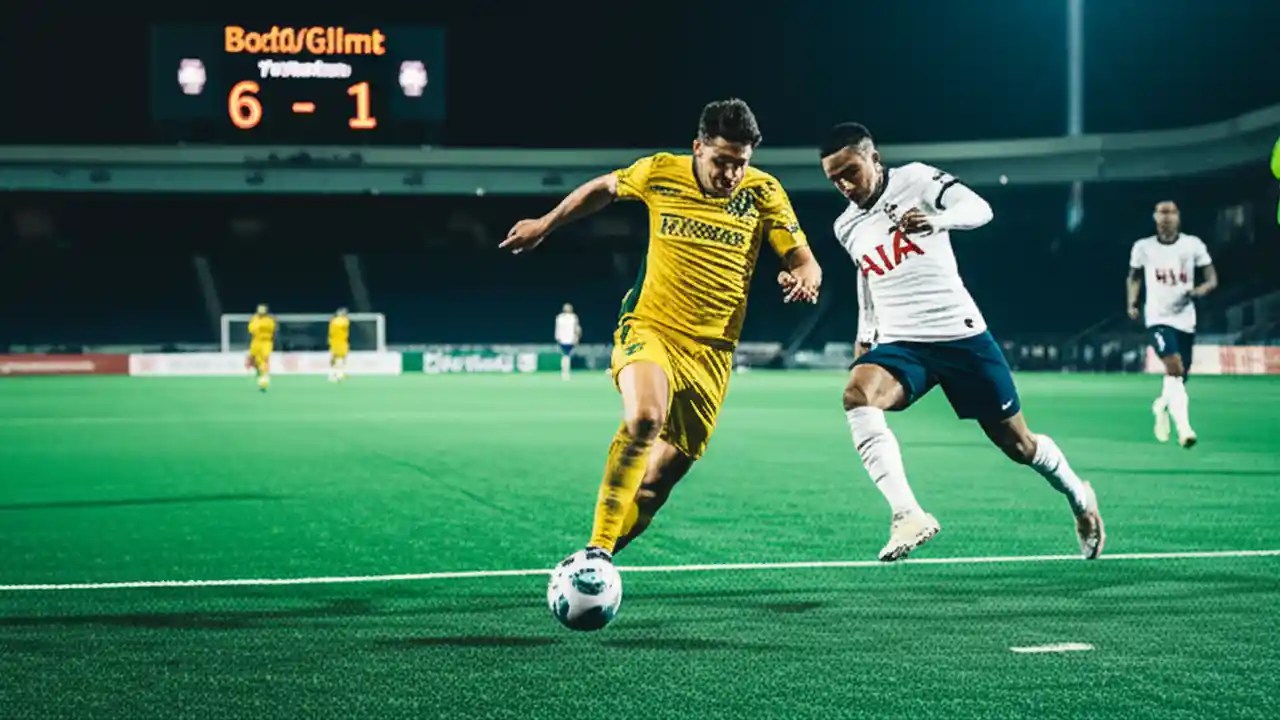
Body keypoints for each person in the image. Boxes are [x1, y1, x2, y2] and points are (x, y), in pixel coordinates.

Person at [502, 98, 822, 563]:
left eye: (741, 164)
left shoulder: (763, 191)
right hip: (651, 327)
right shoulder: (659, 172)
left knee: (654, 487)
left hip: (712, 354)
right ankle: (595, 552)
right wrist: (545, 225)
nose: (731, 175)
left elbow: (804, 260)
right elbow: (606, 188)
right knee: (645, 419)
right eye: (722, 162)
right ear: (697, 148)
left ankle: (600, 560)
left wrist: (806, 280)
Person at [814, 122, 1103, 562]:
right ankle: (907, 513)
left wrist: (938, 219)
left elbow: (980, 208)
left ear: (874, 158)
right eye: (834, 179)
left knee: (1019, 445)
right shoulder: (846, 226)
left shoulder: (916, 179)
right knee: (857, 395)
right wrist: (865, 337)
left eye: (850, 171)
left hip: (960, 336)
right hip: (903, 343)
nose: (844, 185)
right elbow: (866, 278)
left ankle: (1080, 499)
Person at [1127, 201, 1217, 447]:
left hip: (1185, 318)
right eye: (1162, 213)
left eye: (1171, 213)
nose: (1166, 217)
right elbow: (1134, 276)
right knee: (1174, 368)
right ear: (1155, 217)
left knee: (1179, 377)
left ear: (1178, 217)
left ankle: (1162, 405)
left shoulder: (1193, 245)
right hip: (1157, 317)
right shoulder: (1143, 247)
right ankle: (1185, 429)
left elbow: (1211, 278)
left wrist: (1201, 290)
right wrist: (1132, 302)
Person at [246, 304, 275, 392]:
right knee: (253, 361)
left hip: (266, 342)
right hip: (256, 342)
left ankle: (264, 379)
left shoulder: (269, 320)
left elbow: (271, 330)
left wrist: (259, 326)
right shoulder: (254, 320)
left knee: (265, 359)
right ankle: (259, 371)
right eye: (260, 313)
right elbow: (251, 330)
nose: (261, 314)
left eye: (263, 313)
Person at [554, 303, 582, 380]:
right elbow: (558, 328)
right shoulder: (562, 318)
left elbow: (576, 328)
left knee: (566, 356)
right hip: (566, 339)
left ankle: (565, 372)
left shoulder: (572, 317)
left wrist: (576, 337)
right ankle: (565, 372)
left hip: (568, 339)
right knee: (566, 356)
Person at [329, 307, 350, 382]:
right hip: (340, 341)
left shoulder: (333, 320)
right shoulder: (344, 321)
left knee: (336, 358)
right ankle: (337, 374)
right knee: (340, 358)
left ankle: (336, 373)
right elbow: (344, 326)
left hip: (334, 341)